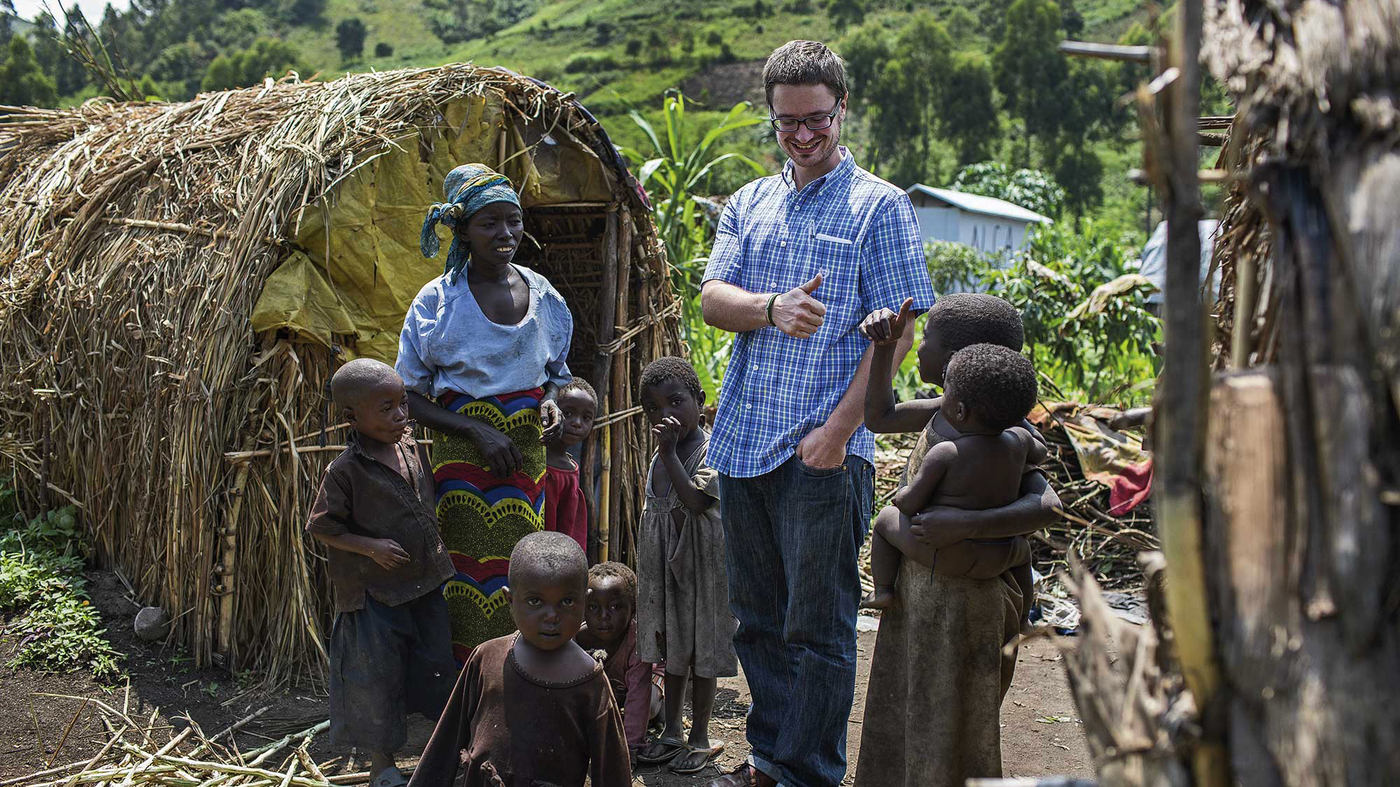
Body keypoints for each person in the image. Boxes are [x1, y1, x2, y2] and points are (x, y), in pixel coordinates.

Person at [698, 40, 936, 787]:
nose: (802, 135)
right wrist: (771, 308)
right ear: (771, 119)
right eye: (786, 123)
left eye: (816, 120)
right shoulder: (750, 202)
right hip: (742, 443)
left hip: (822, 449)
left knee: (819, 627)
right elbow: (712, 299)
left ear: (842, 110)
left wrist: (839, 431)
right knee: (757, 620)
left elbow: (897, 329)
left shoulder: (880, 206)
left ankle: (808, 772)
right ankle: (772, 756)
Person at [855, 292, 1062, 787]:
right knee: (907, 703)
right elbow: (879, 416)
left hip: (969, 598)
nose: (917, 349)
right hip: (921, 590)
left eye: (924, 341)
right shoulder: (943, 412)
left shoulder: (1008, 437)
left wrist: (965, 525)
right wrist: (884, 351)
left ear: (954, 365)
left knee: (955, 717)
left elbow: (1046, 505)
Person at [396, 163, 573, 662]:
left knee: (524, 564)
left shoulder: (543, 296)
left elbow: (557, 376)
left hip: (525, 457)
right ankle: (463, 682)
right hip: (462, 460)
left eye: (513, 221)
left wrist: (553, 406)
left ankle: (516, 669)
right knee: (464, 566)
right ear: (464, 230)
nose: (505, 234)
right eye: (489, 223)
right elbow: (408, 394)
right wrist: (475, 430)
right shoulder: (439, 301)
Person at [306, 359, 456, 787]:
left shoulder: (409, 444)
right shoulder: (345, 470)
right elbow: (320, 526)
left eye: (403, 404)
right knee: (378, 677)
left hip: (425, 581)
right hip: (376, 595)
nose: (400, 416)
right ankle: (382, 764)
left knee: (435, 665)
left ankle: (437, 749)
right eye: (386, 408)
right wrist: (370, 547)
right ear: (352, 417)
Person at [407, 531, 632, 787]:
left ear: (584, 602)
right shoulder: (486, 657)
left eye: (567, 601)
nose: (551, 616)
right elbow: (446, 743)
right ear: (510, 600)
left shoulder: (590, 682)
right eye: (535, 601)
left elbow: (612, 769)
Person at [860, 337, 1046, 610]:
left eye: (945, 392)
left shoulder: (946, 452)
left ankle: (883, 590)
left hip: (952, 554)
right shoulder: (1021, 441)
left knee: (885, 521)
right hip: (1001, 555)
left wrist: (900, 498)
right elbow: (1040, 452)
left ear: (959, 410)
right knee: (1024, 553)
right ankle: (1024, 617)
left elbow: (911, 502)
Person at [633, 357, 736, 775]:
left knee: (702, 649)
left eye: (676, 401)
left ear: (701, 401)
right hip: (664, 571)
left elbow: (694, 502)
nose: (666, 414)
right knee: (673, 648)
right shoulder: (660, 458)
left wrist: (670, 453)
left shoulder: (713, 449)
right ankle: (671, 731)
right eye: (653, 409)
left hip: (703, 571)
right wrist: (667, 454)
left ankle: (700, 736)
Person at [575, 561, 665, 763]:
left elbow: (638, 694)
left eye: (615, 607)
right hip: (614, 690)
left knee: (649, 706)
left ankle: (661, 708)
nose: (603, 616)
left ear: (633, 610)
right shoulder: (576, 640)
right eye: (593, 607)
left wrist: (630, 746)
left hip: (644, 682)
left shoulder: (637, 643)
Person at [543, 378, 597, 554]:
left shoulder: (570, 471)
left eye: (586, 417)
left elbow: (571, 531)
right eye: (567, 413)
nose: (577, 423)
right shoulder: (534, 462)